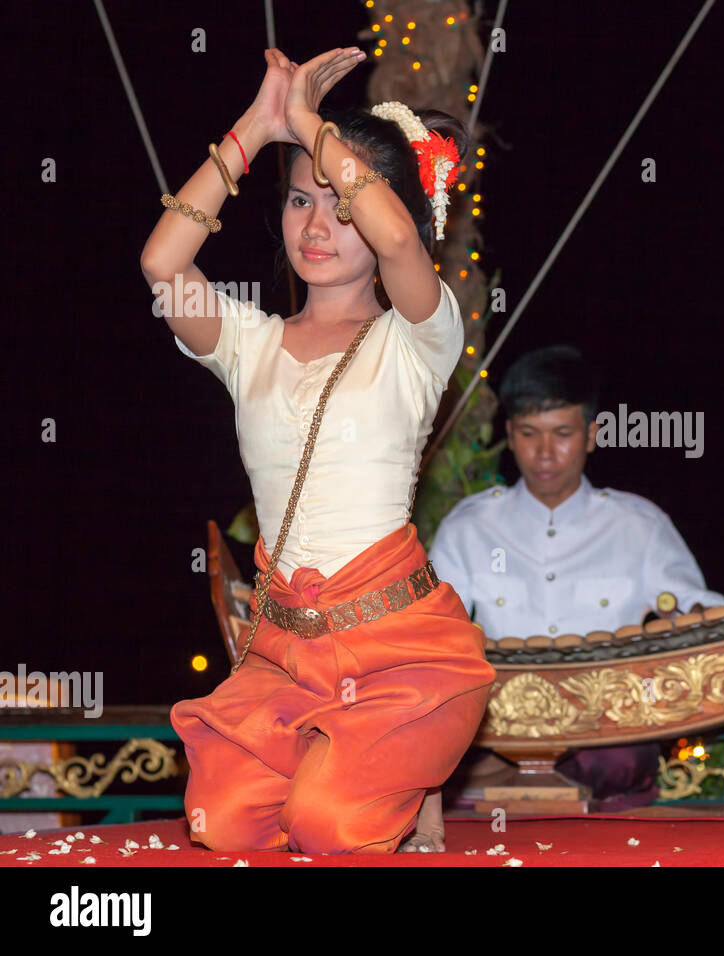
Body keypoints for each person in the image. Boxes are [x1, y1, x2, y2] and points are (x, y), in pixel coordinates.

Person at [144, 46, 494, 854]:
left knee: (328, 829)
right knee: (223, 828)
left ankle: (403, 766)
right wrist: (256, 131)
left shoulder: (418, 336)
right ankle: (351, 762)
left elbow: (403, 242)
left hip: (397, 647)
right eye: (302, 200)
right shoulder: (248, 342)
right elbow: (162, 262)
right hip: (284, 650)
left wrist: (309, 121)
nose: (316, 224)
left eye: (342, 205)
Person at [430, 345, 724, 811]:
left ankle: (504, 780)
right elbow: (432, 633)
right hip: (493, 727)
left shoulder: (638, 526)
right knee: (439, 741)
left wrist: (696, 617)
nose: (544, 453)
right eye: (529, 433)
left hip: (603, 741)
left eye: (562, 434)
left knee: (623, 756)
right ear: (509, 434)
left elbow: (696, 607)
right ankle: (509, 773)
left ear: (591, 435)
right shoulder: (469, 527)